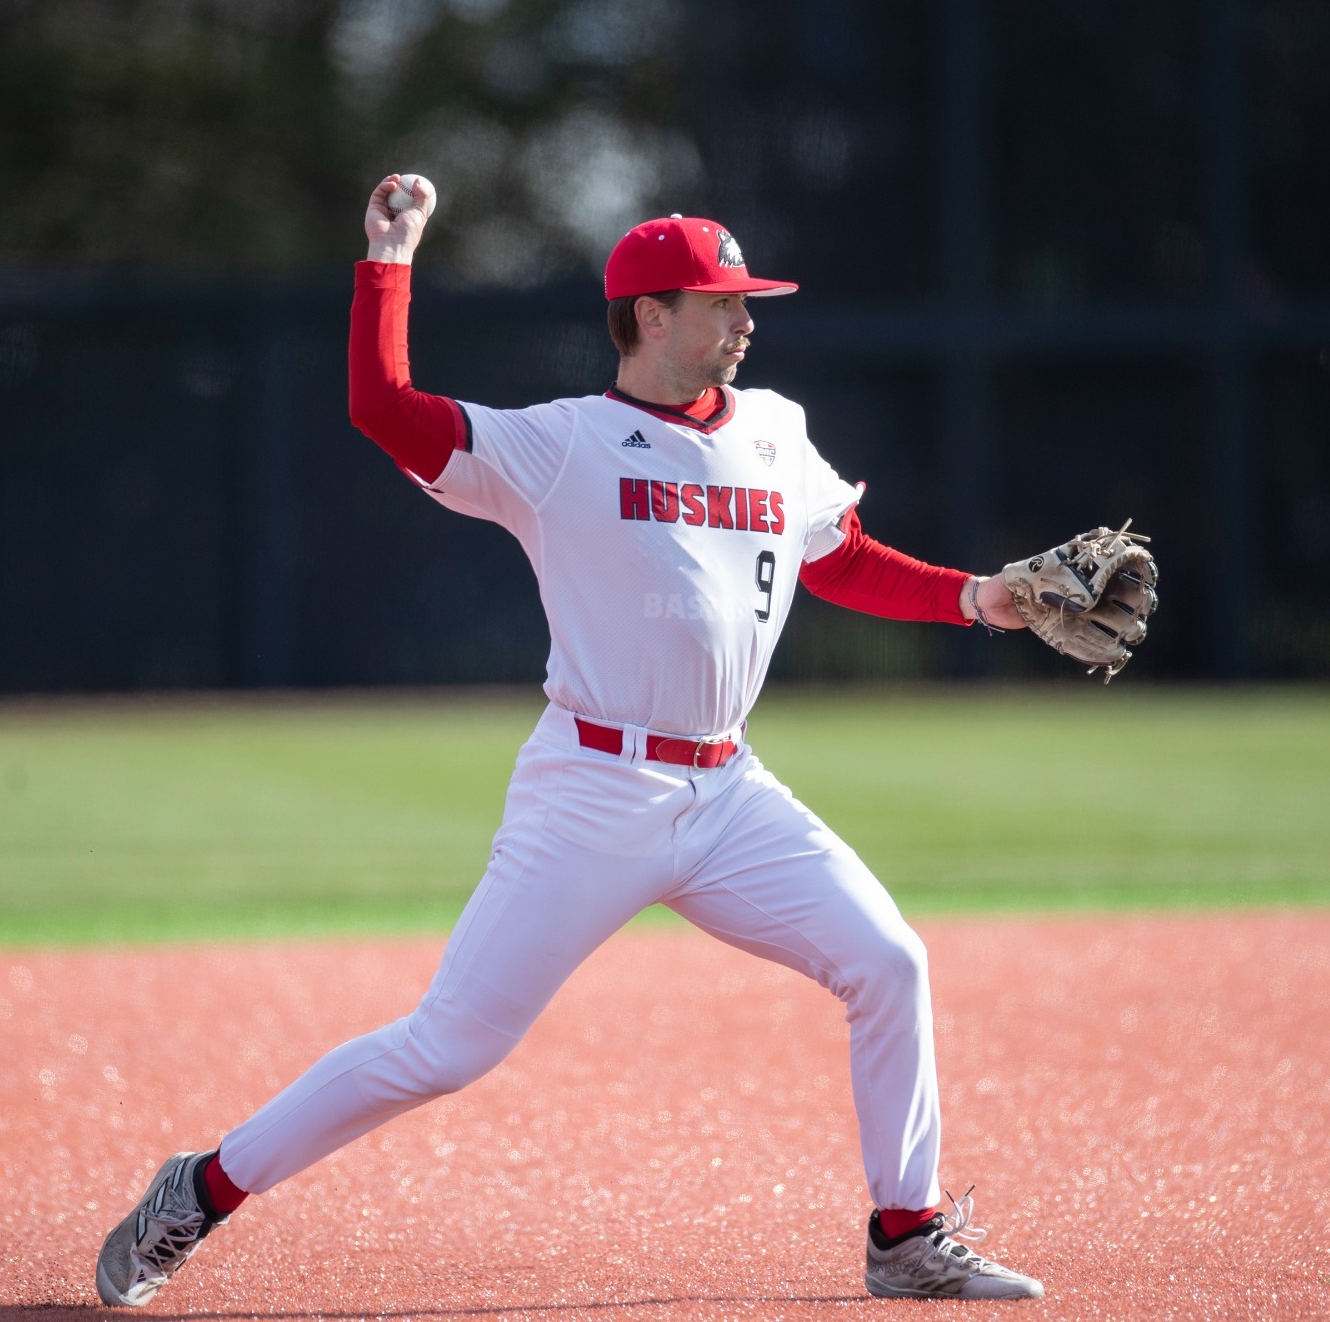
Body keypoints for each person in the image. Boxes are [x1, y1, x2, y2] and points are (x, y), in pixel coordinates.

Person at [95, 173, 1046, 1307]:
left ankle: (905, 1232)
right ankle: (198, 1191)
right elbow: (383, 406)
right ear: (650, 315)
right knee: (446, 1048)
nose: (746, 321)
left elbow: (838, 556)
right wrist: (388, 258)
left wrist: (981, 598)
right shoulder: (560, 447)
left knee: (888, 961)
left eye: (747, 303)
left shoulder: (777, 433)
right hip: (592, 788)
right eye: (722, 302)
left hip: (729, 789)